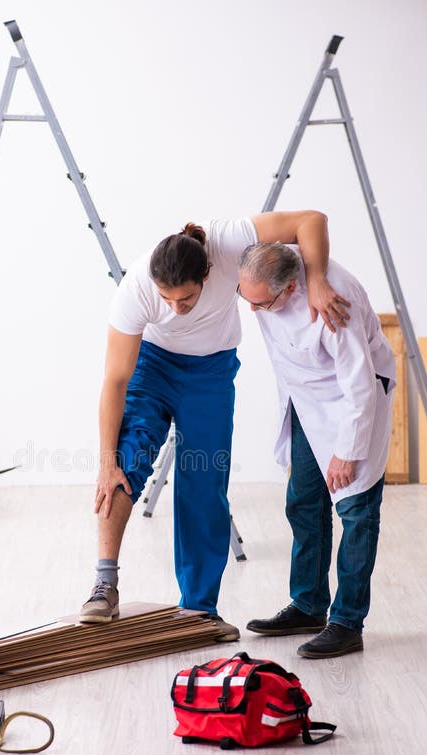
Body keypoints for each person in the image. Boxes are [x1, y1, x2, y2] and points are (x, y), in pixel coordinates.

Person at [80, 212, 351, 642]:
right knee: (126, 461)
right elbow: (114, 381)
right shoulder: (135, 291)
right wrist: (106, 461)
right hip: (152, 366)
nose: (175, 309)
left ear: (207, 274)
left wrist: (316, 279)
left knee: (203, 485)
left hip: (211, 371)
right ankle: (104, 583)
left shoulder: (227, 243)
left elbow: (311, 220)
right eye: (166, 300)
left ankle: (199, 611)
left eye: (184, 300)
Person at [238, 242, 395, 657]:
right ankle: (308, 605)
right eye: (247, 298)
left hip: (354, 402)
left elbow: (359, 384)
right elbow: (309, 221)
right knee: (304, 501)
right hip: (307, 400)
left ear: (291, 289)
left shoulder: (333, 308)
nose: (253, 310)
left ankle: (347, 622)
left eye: (262, 303)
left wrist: (348, 449)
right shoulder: (270, 270)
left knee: (357, 511)